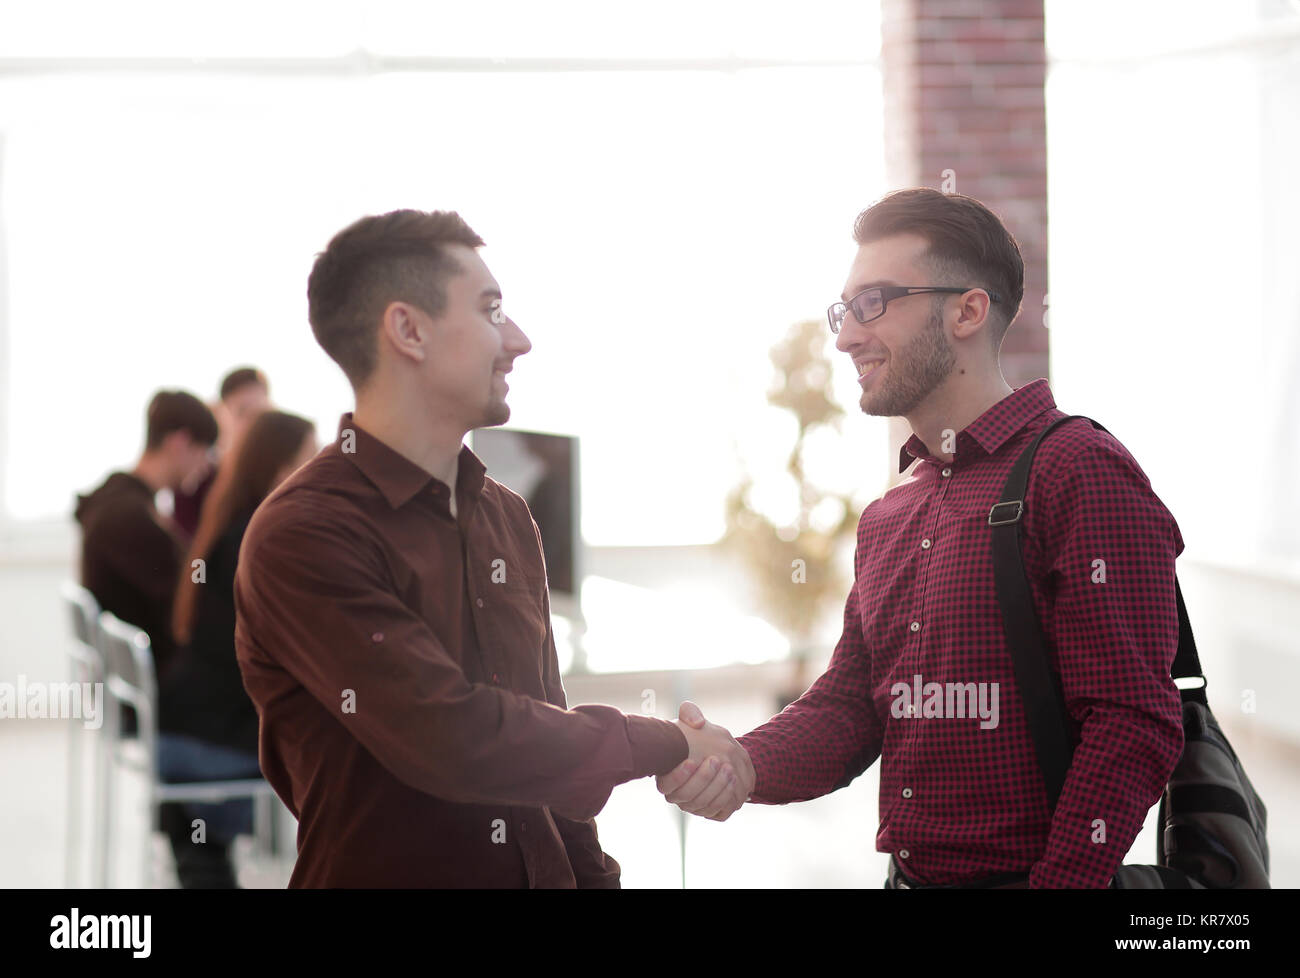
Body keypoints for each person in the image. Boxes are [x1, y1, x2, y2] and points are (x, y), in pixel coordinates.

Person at [656, 188, 1186, 890]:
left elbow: (1131, 723)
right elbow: (849, 706)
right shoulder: (893, 511)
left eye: (874, 302)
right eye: (844, 310)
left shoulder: (1077, 469)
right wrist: (741, 763)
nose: (845, 337)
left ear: (967, 310)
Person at [232, 209, 753, 887]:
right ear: (408, 330)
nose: (520, 340)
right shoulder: (304, 535)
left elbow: (545, 746)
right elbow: (456, 737)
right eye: (491, 311)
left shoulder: (504, 514)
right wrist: (668, 742)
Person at [155, 409, 318, 888]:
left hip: (181, 722)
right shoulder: (265, 535)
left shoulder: (230, 523)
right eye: (310, 460)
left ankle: (201, 849)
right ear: (280, 469)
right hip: (213, 738)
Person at [75, 390, 218, 683]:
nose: (207, 466)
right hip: (150, 683)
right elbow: (185, 606)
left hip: (128, 675)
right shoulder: (130, 517)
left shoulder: (119, 500)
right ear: (180, 442)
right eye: (206, 451)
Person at [173, 367, 271, 538]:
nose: (254, 424)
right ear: (221, 415)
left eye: (262, 415)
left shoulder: (279, 478)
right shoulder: (196, 480)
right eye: (243, 412)